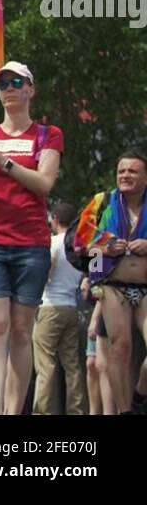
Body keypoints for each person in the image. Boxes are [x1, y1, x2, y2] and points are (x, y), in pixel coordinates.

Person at [0, 61, 63, 415]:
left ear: (30, 89)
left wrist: (3, 160)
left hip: (31, 244)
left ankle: (12, 410)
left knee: (22, 330)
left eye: (16, 81)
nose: (8, 87)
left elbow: (44, 183)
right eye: (2, 83)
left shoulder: (48, 134)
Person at [75, 150, 147, 415]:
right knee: (120, 348)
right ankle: (126, 410)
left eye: (133, 171)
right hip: (112, 286)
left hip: (145, 287)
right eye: (121, 171)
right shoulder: (102, 202)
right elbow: (80, 241)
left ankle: (140, 393)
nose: (125, 175)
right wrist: (107, 246)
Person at [32, 203, 85, 414]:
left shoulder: (53, 243)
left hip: (50, 307)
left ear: (54, 219)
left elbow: (48, 271)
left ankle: (41, 411)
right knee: (72, 366)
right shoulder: (79, 246)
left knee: (45, 365)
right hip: (72, 308)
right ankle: (76, 410)